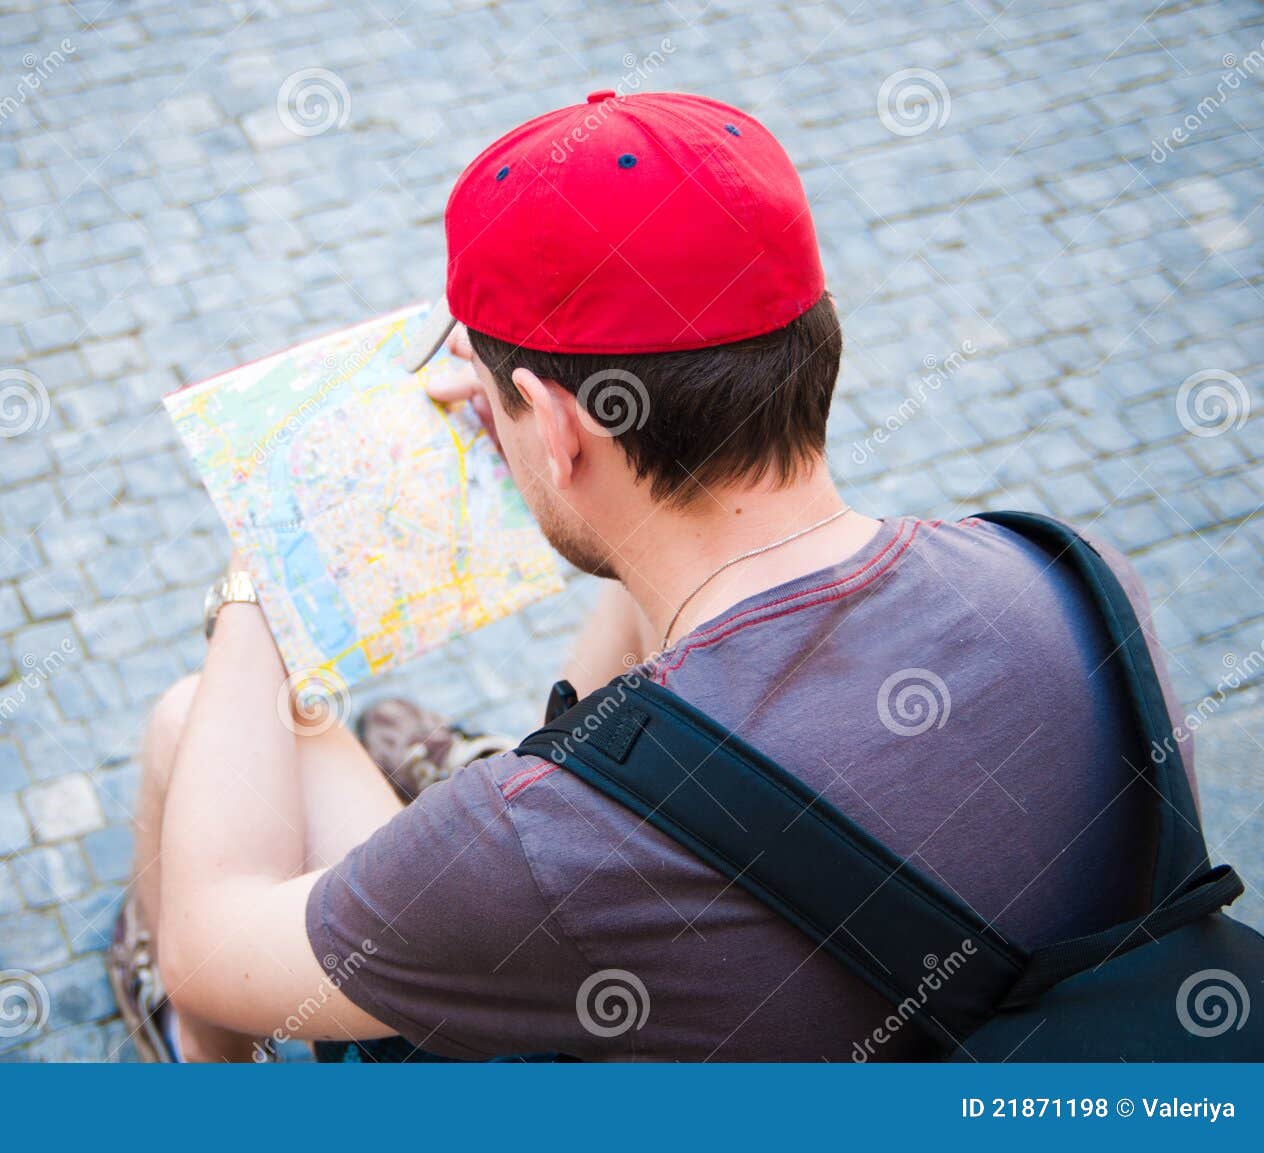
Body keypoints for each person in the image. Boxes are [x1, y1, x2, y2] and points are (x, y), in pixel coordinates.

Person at [109, 91, 1191, 1061]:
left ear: (554, 421)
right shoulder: (1068, 578)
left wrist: (263, 566)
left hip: (554, 955)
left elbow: (211, 942)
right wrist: (576, 464)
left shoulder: (530, 846)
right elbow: (657, 710)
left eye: (490, 393)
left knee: (194, 717)